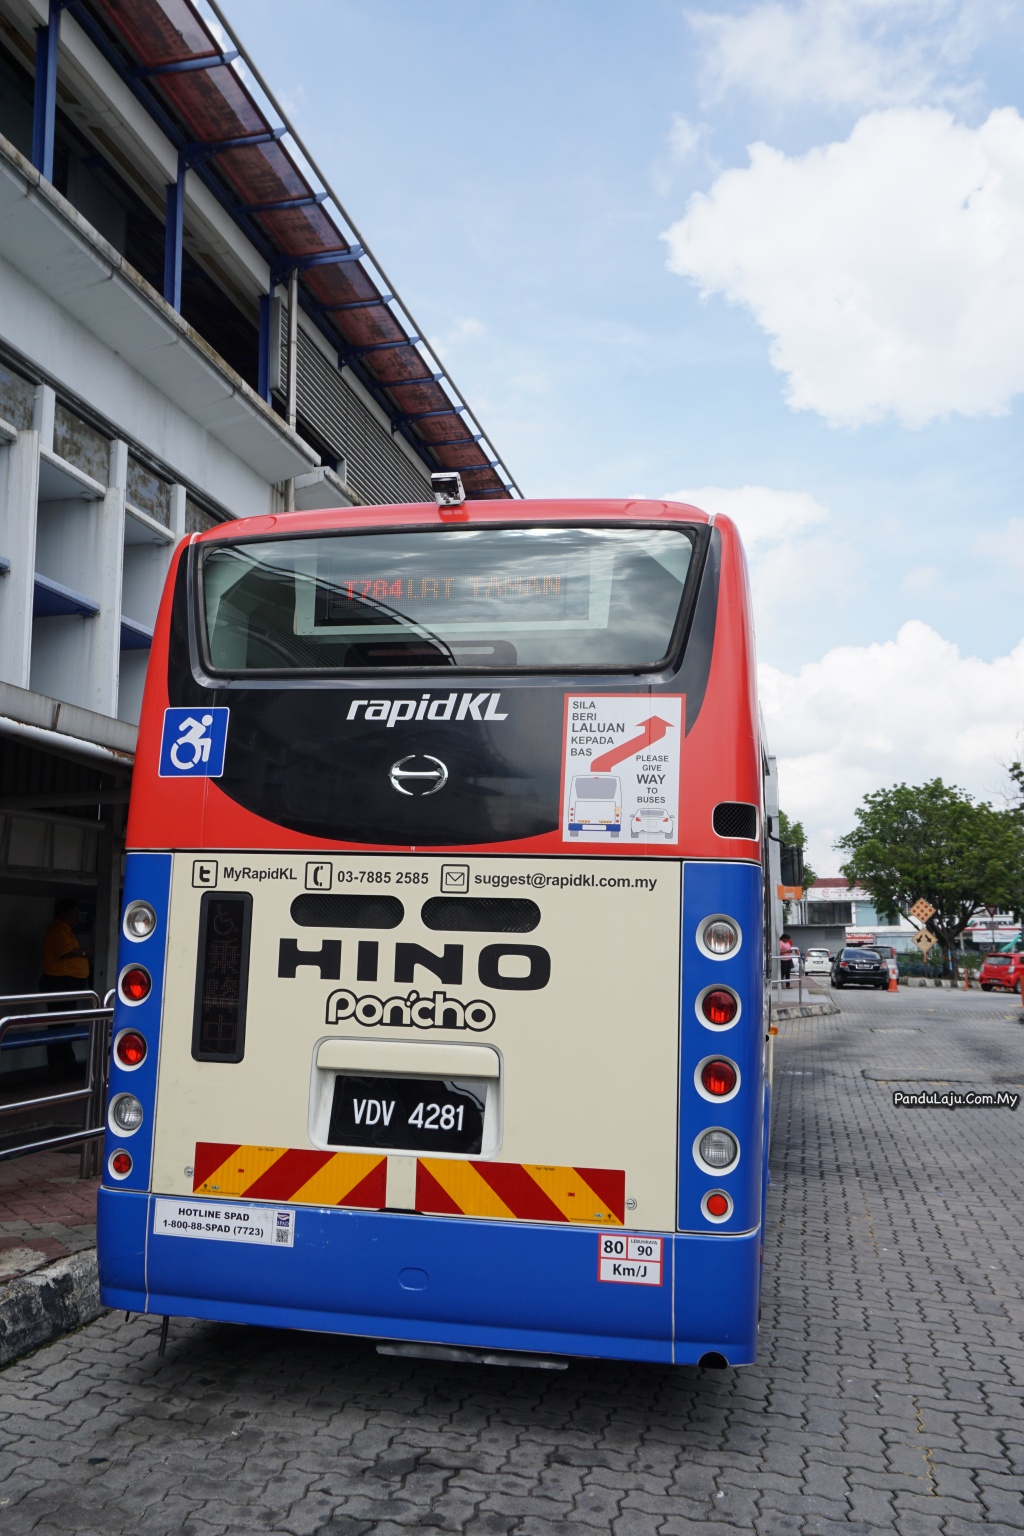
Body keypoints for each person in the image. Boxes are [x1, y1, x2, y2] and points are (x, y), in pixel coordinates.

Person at [39, 899, 91, 1071]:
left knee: (67, 1023)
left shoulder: (66, 931)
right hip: (59, 983)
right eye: (73, 914)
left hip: (67, 983)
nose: (77, 918)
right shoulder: (57, 929)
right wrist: (86, 952)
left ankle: (65, 1060)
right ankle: (59, 1063)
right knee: (59, 1023)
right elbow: (66, 952)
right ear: (63, 915)